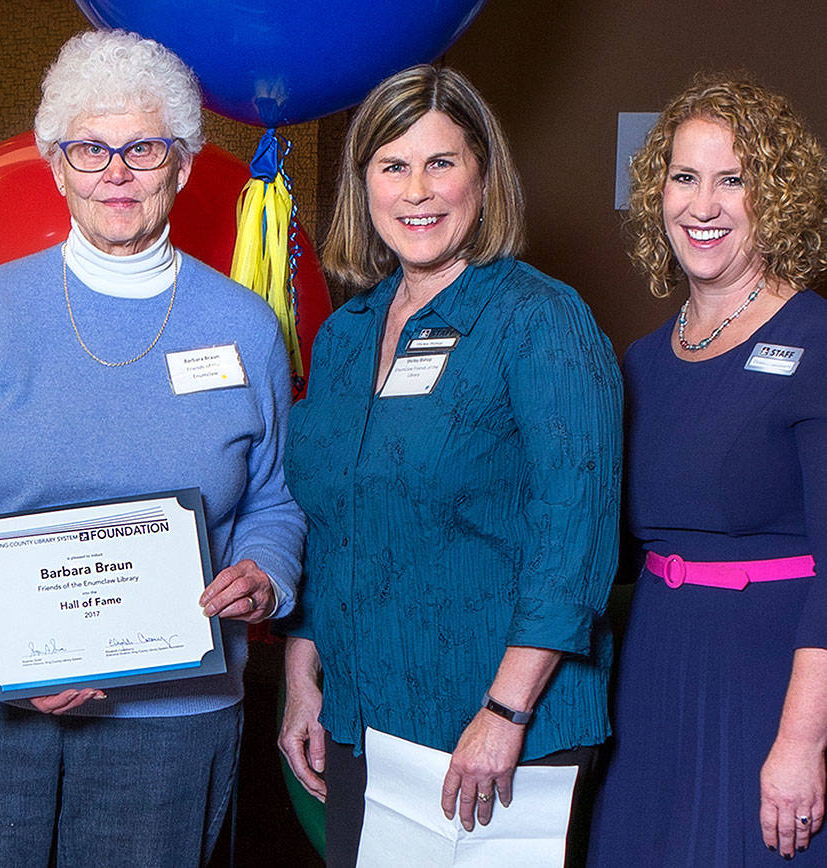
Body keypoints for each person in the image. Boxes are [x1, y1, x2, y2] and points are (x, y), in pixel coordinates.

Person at [0, 28, 304, 867]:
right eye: (90, 148)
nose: (116, 172)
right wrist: (13, 641)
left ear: (183, 164)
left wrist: (267, 571)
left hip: (169, 717)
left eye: (143, 148)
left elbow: (274, 499)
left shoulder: (245, 327)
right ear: (57, 166)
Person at [277, 64, 622, 867]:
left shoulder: (541, 319)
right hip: (365, 722)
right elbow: (332, 528)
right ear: (363, 187)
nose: (417, 191)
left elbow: (575, 540)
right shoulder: (345, 335)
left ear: (483, 175)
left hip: (503, 729)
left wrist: (504, 711)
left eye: (442, 163)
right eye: (392, 167)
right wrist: (304, 680)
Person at [588, 75, 827, 865]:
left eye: (734, 180)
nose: (704, 205)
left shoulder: (817, 342)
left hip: (770, 683)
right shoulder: (643, 362)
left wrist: (800, 743)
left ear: (777, 196)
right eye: (684, 178)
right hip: (654, 673)